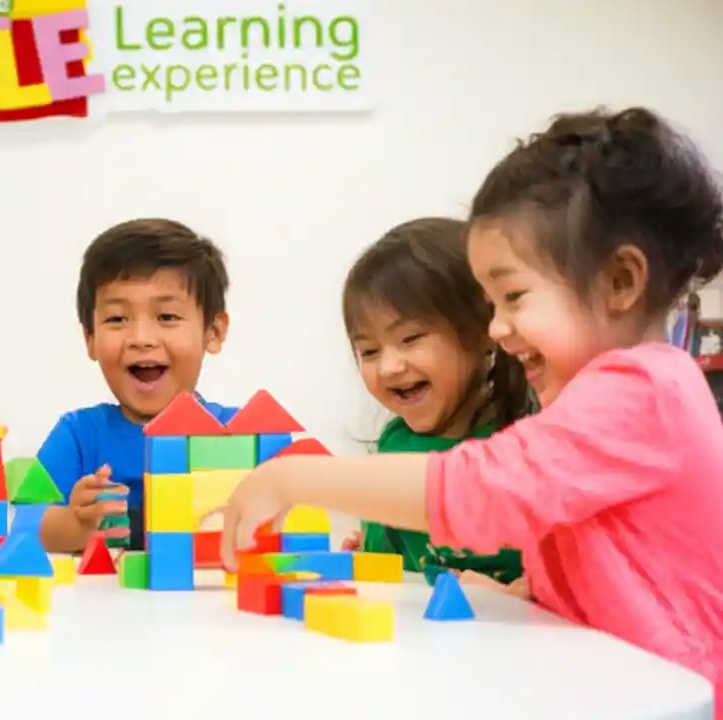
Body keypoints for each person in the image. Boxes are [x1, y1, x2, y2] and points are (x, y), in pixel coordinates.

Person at [220, 107, 723, 704]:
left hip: (670, 697)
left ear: (619, 281)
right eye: (491, 303)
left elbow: (483, 490)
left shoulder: (644, 390)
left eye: (514, 297)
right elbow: (616, 560)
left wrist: (293, 477)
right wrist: (527, 592)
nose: (497, 327)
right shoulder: (613, 397)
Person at [340, 217, 530, 589]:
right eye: (369, 351)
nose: (390, 367)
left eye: (411, 338)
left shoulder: (527, 445)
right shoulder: (394, 445)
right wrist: (365, 558)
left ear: (483, 331)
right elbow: (385, 572)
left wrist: (519, 594)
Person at [37, 219, 235, 553]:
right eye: (117, 319)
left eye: (167, 317)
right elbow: (28, 528)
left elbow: (295, 508)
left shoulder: (240, 433)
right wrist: (77, 524)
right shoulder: (78, 435)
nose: (141, 339)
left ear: (213, 332)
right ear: (90, 338)